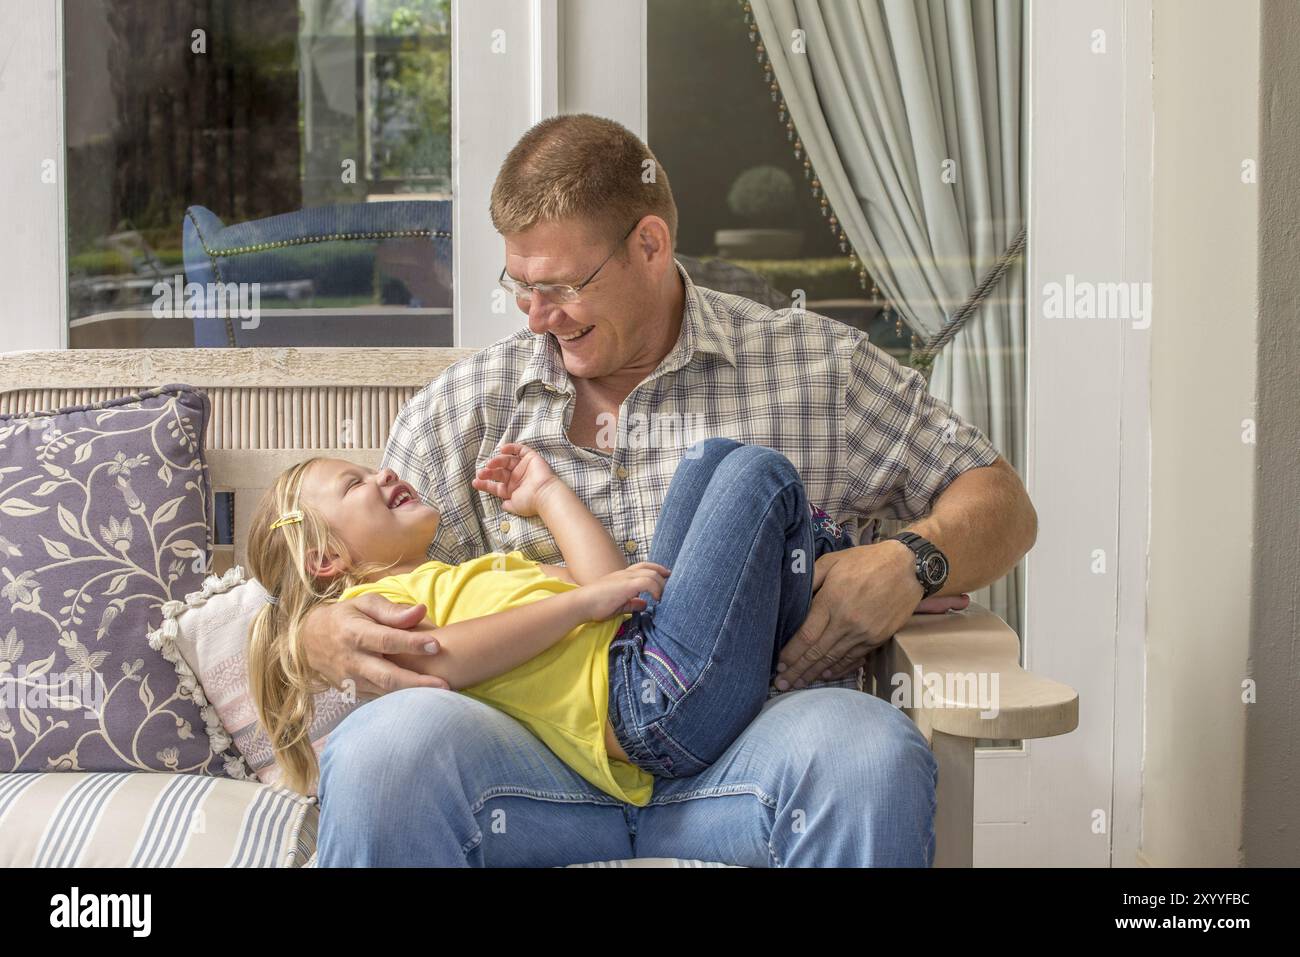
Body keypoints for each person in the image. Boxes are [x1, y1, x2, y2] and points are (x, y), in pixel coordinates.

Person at [299, 113, 1038, 867]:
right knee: (380, 753)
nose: (536, 316)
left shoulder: (816, 365)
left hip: (753, 753)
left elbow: (1001, 501)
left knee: (867, 753)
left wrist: (914, 561)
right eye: (519, 287)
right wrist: (315, 634)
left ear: (649, 246)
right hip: (531, 770)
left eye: (559, 286)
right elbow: (361, 574)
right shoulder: (465, 406)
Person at [245, 437, 858, 805]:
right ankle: (818, 567)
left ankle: (812, 568)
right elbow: (439, 657)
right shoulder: (385, 613)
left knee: (712, 461)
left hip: (650, 659)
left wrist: (546, 493)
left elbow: (609, 587)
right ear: (324, 559)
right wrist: (577, 606)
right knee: (759, 475)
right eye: (355, 483)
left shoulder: (470, 574)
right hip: (651, 708)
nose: (382, 472)